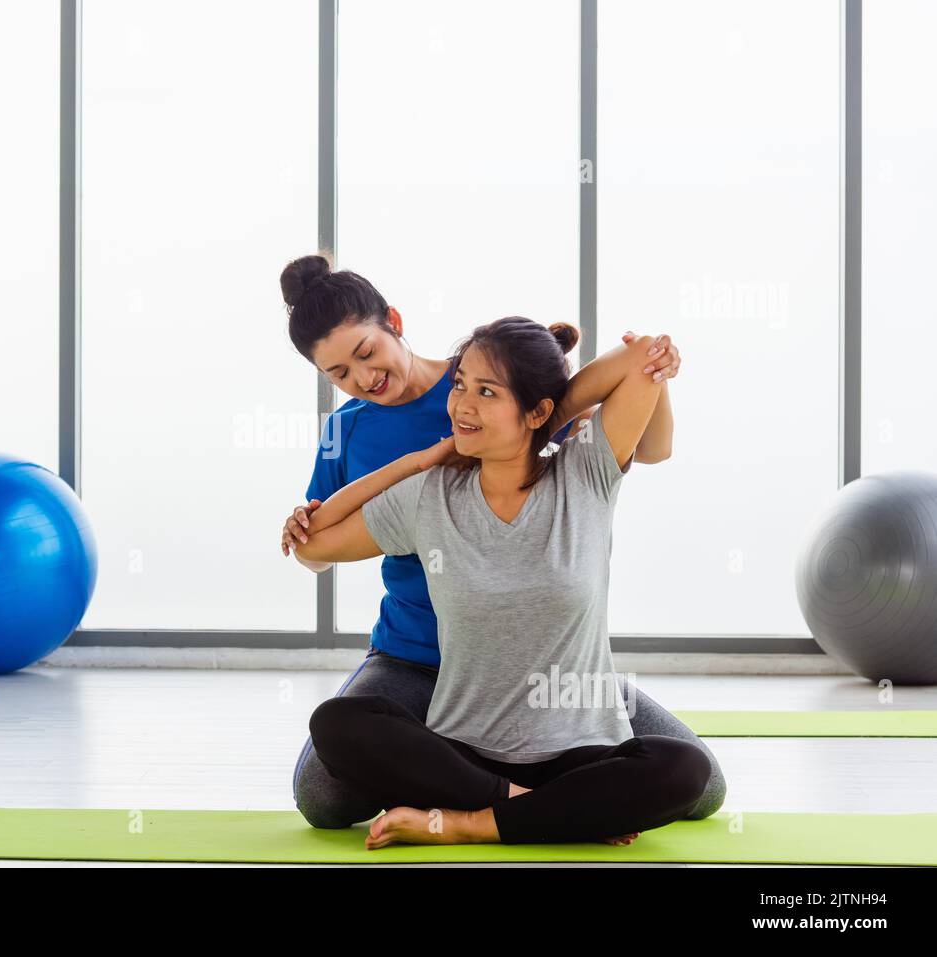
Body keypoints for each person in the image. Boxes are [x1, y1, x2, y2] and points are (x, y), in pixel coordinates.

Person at [278, 251, 726, 831]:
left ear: (393, 320)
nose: (361, 378)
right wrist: (425, 460)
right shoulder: (354, 437)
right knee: (325, 797)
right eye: (338, 373)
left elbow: (641, 433)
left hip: (548, 658)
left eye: (365, 352)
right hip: (416, 658)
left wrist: (537, 409)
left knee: (701, 784)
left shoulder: (483, 381)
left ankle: (500, 782)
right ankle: (533, 800)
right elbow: (315, 549)